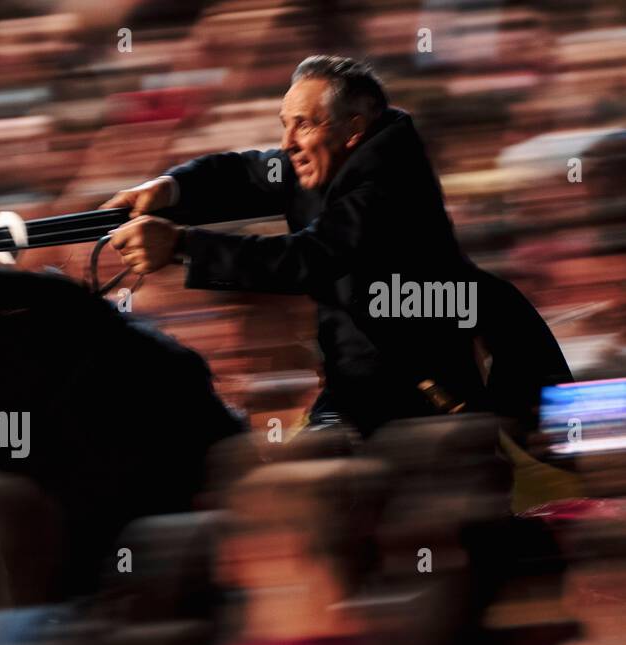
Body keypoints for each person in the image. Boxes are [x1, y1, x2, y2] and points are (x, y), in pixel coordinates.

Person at [103, 55, 571, 439]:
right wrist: (168, 188)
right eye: (285, 125)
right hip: (354, 389)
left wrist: (182, 245)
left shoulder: (388, 187)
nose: (287, 143)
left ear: (353, 128)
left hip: (420, 398)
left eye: (303, 125)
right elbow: (244, 171)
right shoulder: (325, 157)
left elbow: (306, 259)